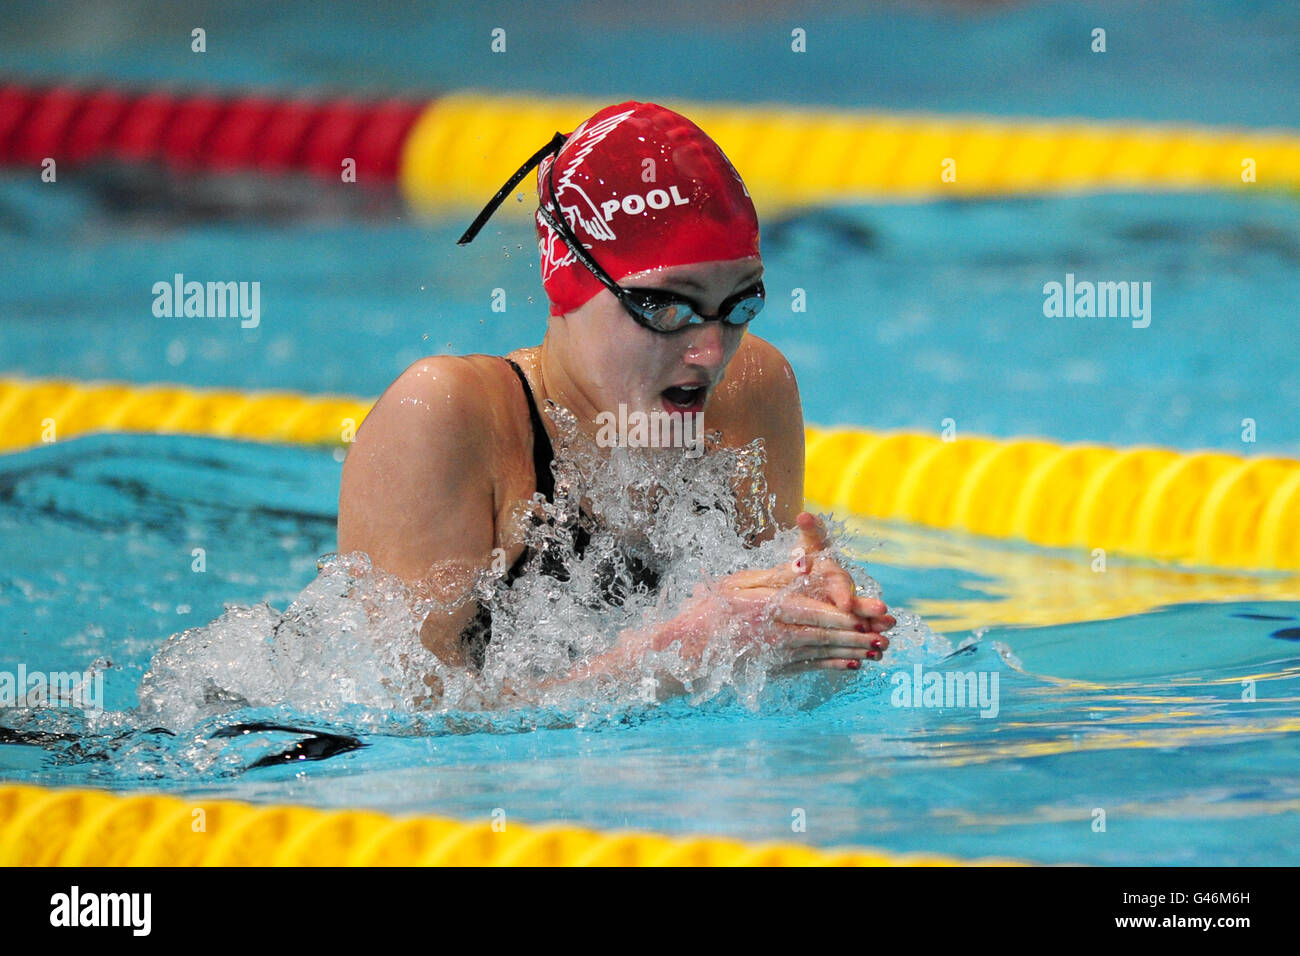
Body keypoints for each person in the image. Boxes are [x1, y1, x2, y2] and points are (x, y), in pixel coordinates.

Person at [337, 101, 894, 696]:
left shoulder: (752, 387)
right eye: (662, 305)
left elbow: (760, 664)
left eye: (740, 303)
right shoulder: (448, 416)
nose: (711, 351)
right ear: (566, 277)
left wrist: (810, 615)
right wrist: (673, 653)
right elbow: (401, 722)